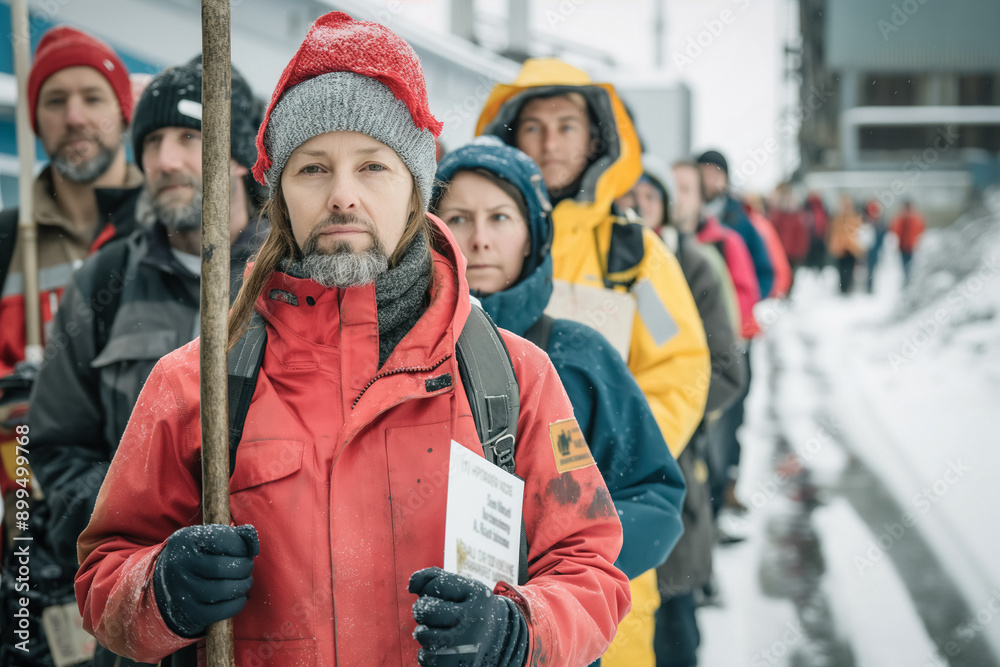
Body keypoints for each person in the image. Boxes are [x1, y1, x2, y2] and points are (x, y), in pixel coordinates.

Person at [75, 13, 630, 667]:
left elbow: (591, 570)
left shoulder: (512, 376)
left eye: (372, 166)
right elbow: (104, 572)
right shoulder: (196, 381)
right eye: (312, 169)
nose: (342, 196)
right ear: (279, 192)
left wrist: (518, 630)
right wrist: (160, 592)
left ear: (416, 187)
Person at [27, 56, 262, 667]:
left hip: (269, 615)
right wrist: (139, 546)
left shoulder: (291, 282)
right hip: (139, 629)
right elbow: (52, 446)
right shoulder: (103, 283)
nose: (165, 161)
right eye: (152, 141)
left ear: (240, 155)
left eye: (189, 137)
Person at [476, 57, 709, 666]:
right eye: (534, 128)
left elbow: (680, 368)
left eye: (567, 126)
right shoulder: (469, 244)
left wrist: (614, 462)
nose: (550, 143)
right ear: (509, 134)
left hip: (609, 535)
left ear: (597, 137)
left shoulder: (632, 256)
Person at [434, 138, 687, 659]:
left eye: (501, 218)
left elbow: (656, 496)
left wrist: (570, 567)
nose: (479, 239)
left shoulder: (580, 351)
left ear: (533, 235)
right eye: (458, 218)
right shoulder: (404, 355)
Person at [620, 162, 745, 667]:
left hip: (670, 457)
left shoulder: (683, 266)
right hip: (605, 472)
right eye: (631, 195)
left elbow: (717, 370)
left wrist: (650, 423)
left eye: (652, 195)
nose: (638, 204)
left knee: (672, 604)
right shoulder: (612, 261)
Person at [696, 150, 773, 299]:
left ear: (725, 179)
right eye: (704, 173)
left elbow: (764, 271)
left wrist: (744, 303)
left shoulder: (740, 220)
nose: (709, 181)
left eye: (716, 174)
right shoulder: (683, 217)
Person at [767, 183, 809, 294]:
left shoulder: (798, 216)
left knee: (791, 273)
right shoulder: (779, 214)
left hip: (793, 252)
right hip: (781, 249)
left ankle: (788, 293)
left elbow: (801, 236)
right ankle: (783, 291)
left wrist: (800, 251)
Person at [828, 194, 865, 295]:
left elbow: (858, 233)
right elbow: (834, 233)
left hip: (851, 248)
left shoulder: (855, 217)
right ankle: (843, 288)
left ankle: (848, 287)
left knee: (850, 269)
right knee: (841, 270)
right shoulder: (837, 218)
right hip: (841, 249)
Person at [890, 199, 925, 285]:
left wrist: (917, 241)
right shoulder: (900, 218)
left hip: (911, 246)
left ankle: (908, 280)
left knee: (910, 264)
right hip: (902, 246)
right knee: (904, 264)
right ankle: (906, 279)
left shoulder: (915, 218)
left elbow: (920, 230)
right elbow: (895, 229)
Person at [863, 199, 888, 293]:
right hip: (868, 249)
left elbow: (883, 236)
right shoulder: (868, 222)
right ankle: (869, 286)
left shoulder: (880, 224)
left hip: (875, 249)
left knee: (872, 268)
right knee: (869, 268)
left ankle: (871, 286)